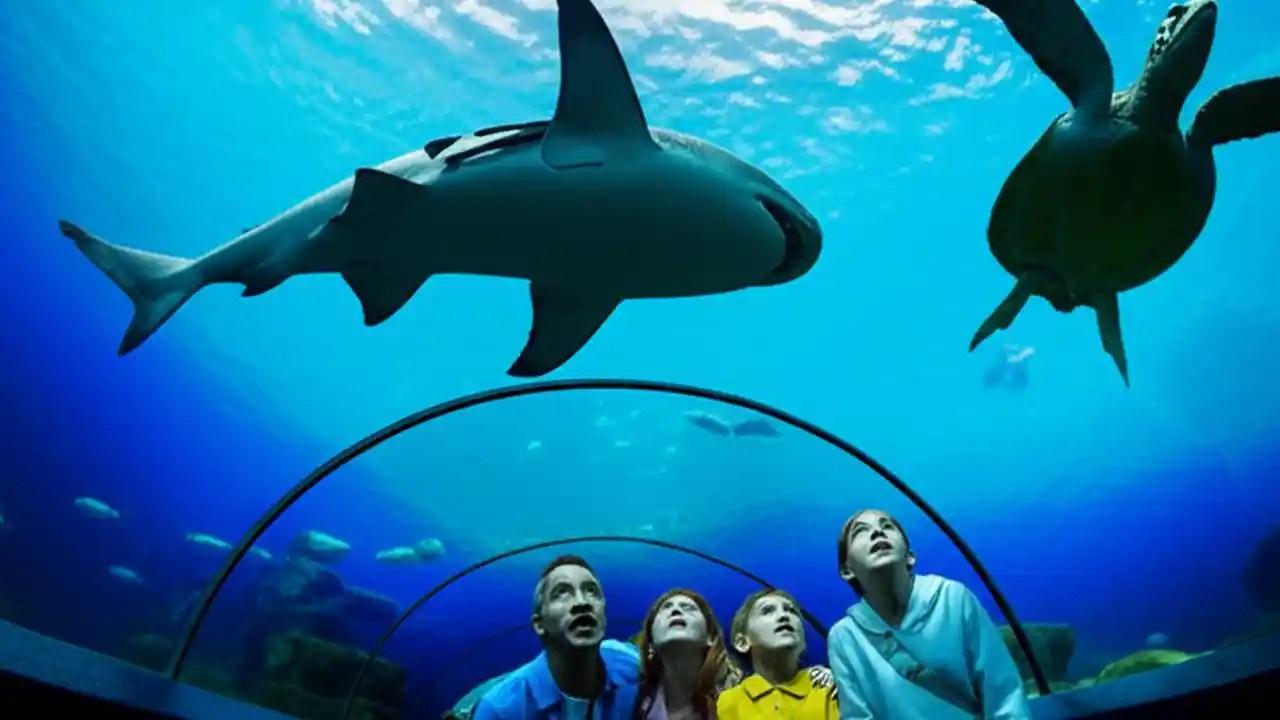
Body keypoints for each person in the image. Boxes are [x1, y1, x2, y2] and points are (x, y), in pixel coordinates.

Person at [826, 509, 1031, 719]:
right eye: (861, 531)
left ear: (910, 556)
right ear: (846, 570)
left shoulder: (954, 598)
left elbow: (1003, 693)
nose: (878, 532)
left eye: (887, 526)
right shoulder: (844, 637)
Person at [472, 555, 641, 720]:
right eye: (561, 593)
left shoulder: (633, 666)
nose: (582, 602)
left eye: (591, 591)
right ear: (539, 624)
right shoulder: (501, 711)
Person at [716, 589, 839, 719]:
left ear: (803, 641)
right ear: (742, 642)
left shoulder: (828, 688)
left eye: (791, 610)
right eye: (767, 611)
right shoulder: (729, 702)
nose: (784, 616)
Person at [634, 588, 741, 719]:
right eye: (666, 608)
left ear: (710, 638)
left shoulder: (741, 698)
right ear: (651, 643)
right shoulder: (631, 702)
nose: (676, 611)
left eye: (688, 608)